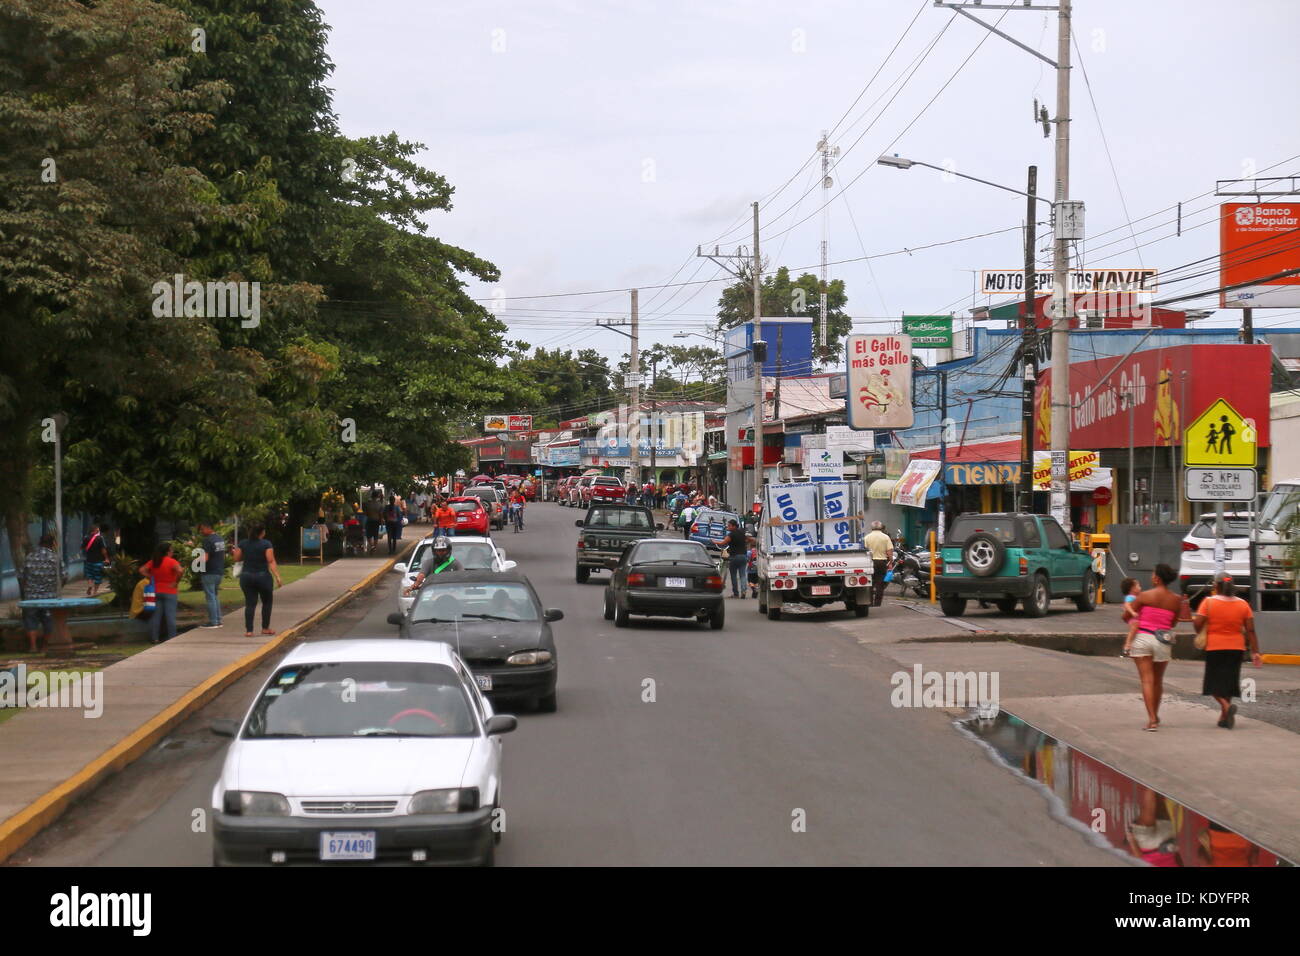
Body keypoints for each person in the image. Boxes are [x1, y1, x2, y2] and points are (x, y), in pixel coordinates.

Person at [1193, 573, 1262, 729]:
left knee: (1212, 683)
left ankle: (1225, 706)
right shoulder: (1243, 604)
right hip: (1236, 648)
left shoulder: (1208, 602)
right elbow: (1250, 630)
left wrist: (1203, 628)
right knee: (1229, 682)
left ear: (1216, 586)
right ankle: (1224, 718)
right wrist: (1255, 652)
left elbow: (1197, 624)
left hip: (1215, 647)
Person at [1122, 564, 1182, 731]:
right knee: (1157, 680)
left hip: (1143, 638)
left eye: (1153, 574)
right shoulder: (1176, 600)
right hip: (1163, 640)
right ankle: (1155, 714)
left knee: (1146, 680)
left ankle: (1152, 720)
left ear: (1157, 578)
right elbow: (1174, 622)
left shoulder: (1144, 596)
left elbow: (1127, 615)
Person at [232, 524, 283, 637]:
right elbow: (270, 560)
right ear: (262, 532)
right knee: (267, 602)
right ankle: (265, 628)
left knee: (250, 603)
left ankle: (249, 630)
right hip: (263, 576)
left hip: (246, 576)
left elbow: (236, 558)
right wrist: (277, 576)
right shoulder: (266, 544)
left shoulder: (243, 543)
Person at [20, 532, 63, 653]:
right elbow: (64, 576)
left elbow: (22, 576)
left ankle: (33, 646)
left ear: (39, 542)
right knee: (48, 621)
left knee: (30, 620)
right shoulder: (56, 558)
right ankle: (45, 646)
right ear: (52, 544)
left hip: (31, 597)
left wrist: (27, 589)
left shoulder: (30, 557)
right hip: (50, 597)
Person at [139, 542, 183, 644]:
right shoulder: (172, 562)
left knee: (155, 616)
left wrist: (151, 577)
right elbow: (180, 571)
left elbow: (141, 570)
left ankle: (154, 638)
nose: (172, 552)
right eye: (171, 550)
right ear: (167, 551)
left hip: (156, 591)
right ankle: (172, 637)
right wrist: (175, 582)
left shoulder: (154, 561)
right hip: (170, 591)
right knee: (170, 616)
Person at [198, 521, 226, 628]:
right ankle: (218, 620)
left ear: (208, 527)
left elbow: (205, 558)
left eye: (202, 529)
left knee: (210, 597)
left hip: (209, 572)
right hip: (219, 571)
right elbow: (223, 556)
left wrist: (195, 561)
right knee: (214, 596)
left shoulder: (207, 540)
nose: (201, 532)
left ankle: (213, 621)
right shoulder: (220, 539)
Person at [864, 521, 893, 608]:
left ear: (871, 528)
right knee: (880, 584)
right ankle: (877, 603)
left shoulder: (867, 537)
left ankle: (869, 602)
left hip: (869, 562)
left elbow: (864, 551)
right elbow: (889, 551)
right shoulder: (886, 537)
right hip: (881, 562)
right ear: (881, 527)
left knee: (869, 583)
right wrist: (890, 562)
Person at [722, 519, 754, 598]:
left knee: (733, 575)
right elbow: (751, 539)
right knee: (742, 575)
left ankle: (736, 593)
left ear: (733, 526)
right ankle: (743, 591)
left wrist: (714, 542)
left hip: (733, 557)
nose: (728, 527)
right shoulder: (742, 533)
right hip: (743, 556)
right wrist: (747, 542)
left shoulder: (731, 534)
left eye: (729, 525)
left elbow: (723, 543)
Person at [81, 523, 110, 597]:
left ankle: (90, 585)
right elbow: (103, 550)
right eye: (98, 530)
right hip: (98, 561)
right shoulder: (100, 538)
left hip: (89, 560)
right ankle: (95, 592)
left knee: (89, 575)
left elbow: (82, 548)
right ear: (96, 530)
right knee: (97, 576)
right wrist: (106, 558)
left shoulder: (86, 538)